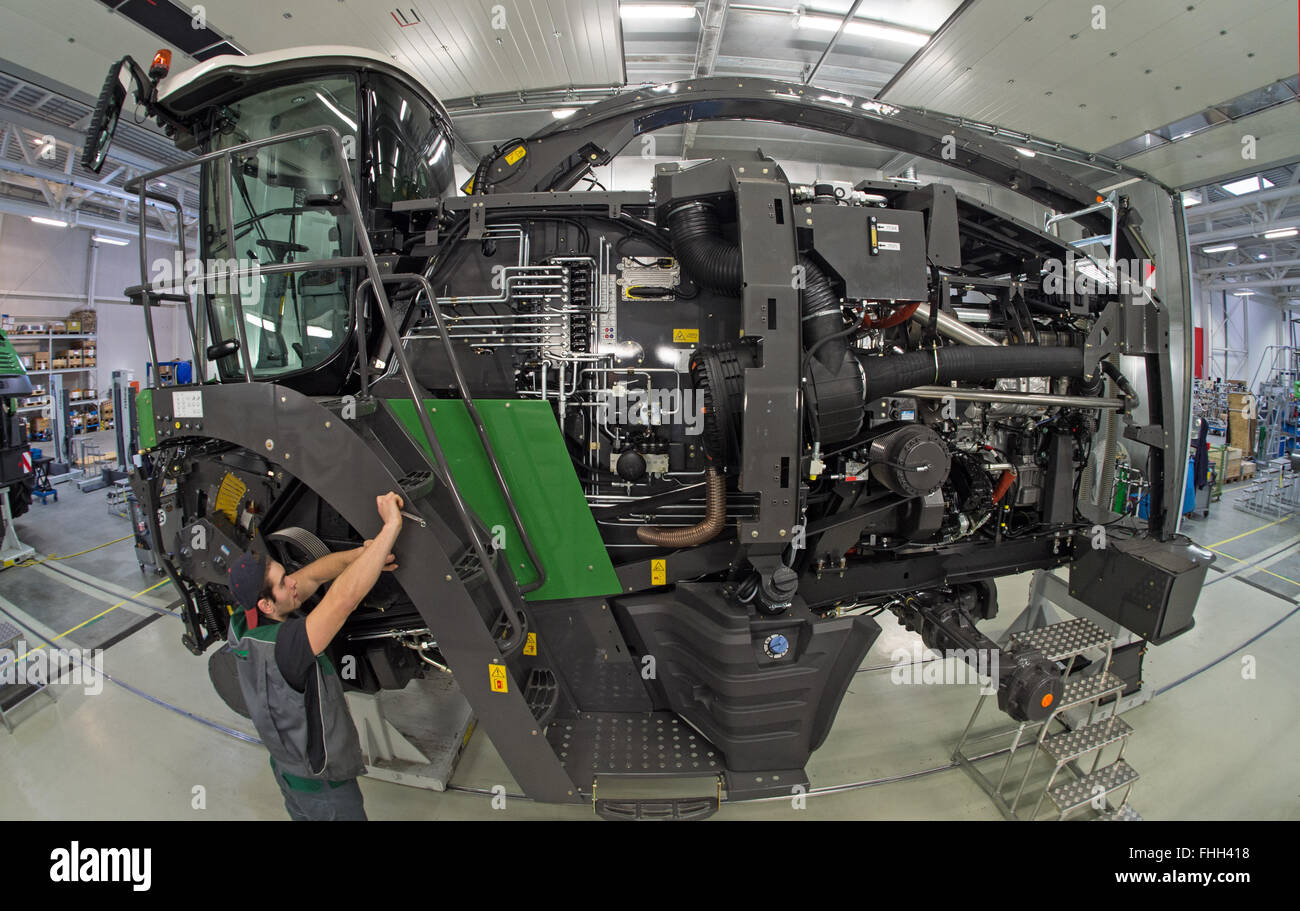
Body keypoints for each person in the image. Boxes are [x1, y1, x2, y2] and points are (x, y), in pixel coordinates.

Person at [225, 491, 405, 820]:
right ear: (266, 604)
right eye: (283, 582)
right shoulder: (285, 647)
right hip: (324, 788)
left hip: (290, 772)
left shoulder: (244, 621)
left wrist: (364, 555)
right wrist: (390, 527)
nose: (293, 583)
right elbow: (341, 600)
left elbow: (314, 575)